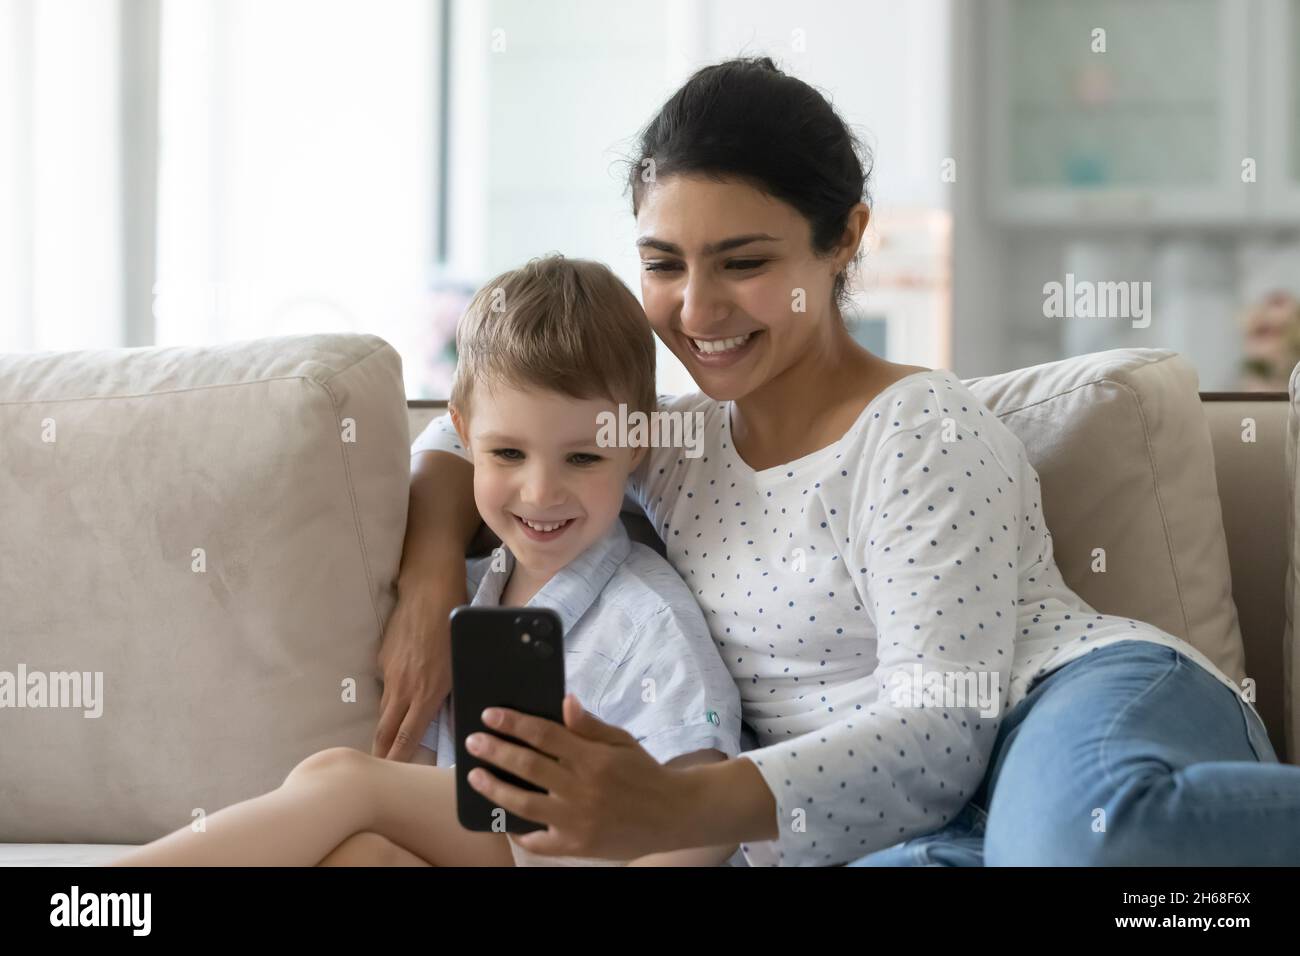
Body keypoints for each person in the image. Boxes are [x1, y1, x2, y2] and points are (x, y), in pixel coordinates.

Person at [380, 56, 1300, 867]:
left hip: (1052, 713)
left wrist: (671, 804)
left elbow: (942, 730)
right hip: (901, 828)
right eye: (664, 264)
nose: (696, 311)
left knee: (1091, 844)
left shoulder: (920, 430)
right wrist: (429, 586)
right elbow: (468, 433)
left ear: (845, 239)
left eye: (742, 263)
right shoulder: (669, 443)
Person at [112, 255, 742, 867]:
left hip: (575, 850)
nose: (542, 492)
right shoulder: (472, 602)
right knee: (361, 855)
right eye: (508, 455)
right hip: (488, 841)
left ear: (635, 445)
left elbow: (707, 812)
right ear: (464, 435)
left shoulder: (649, 617)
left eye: (581, 459)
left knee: (342, 779)